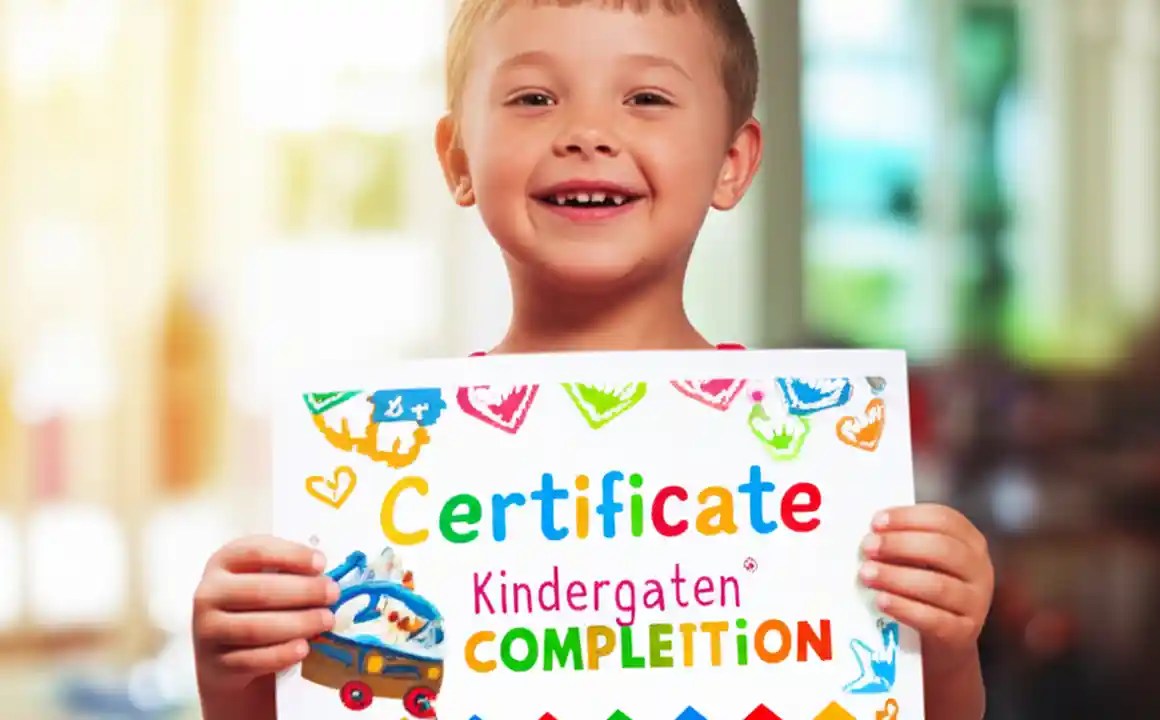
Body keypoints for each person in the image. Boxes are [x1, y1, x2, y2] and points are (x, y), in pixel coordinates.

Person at [192, 2, 995, 719]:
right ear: (458, 157)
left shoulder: (813, 459)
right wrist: (236, 679)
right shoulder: (394, 461)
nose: (586, 132)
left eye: (645, 98)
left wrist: (946, 645)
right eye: (534, 98)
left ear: (733, 161)